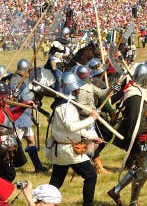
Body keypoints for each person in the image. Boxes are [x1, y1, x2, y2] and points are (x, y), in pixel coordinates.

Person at [45, 72, 99, 206]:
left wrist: (92, 136)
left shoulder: (67, 104)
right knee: (91, 175)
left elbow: (76, 128)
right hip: (68, 149)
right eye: (77, 87)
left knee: (55, 182)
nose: (79, 89)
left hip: (65, 148)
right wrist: (91, 119)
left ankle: (43, 202)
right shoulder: (66, 106)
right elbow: (71, 127)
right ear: (72, 88)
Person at [106, 63, 147, 206]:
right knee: (143, 171)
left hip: (139, 133)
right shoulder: (136, 95)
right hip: (137, 136)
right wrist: (140, 137)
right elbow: (134, 121)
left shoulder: (136, 90)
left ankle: (117, 191)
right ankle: (133, 202)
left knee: (139, 169)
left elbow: (140, 117)